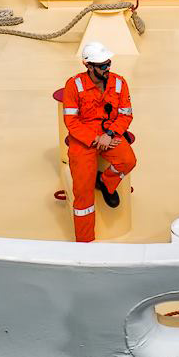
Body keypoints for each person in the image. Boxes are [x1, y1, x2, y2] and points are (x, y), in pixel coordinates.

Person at [62, 41, 137, 243]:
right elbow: (71, 121)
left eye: (108, 63)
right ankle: (85, 244)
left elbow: (125, 115)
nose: (107, 68)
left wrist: (110, 134)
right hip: (83, 138)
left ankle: (105, 180)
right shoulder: (74, 86)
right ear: (88, 66)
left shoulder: (119, 83)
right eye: (102, 65)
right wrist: (94, 139)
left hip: (108, 134)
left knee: (128, 161)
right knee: (83, 195)